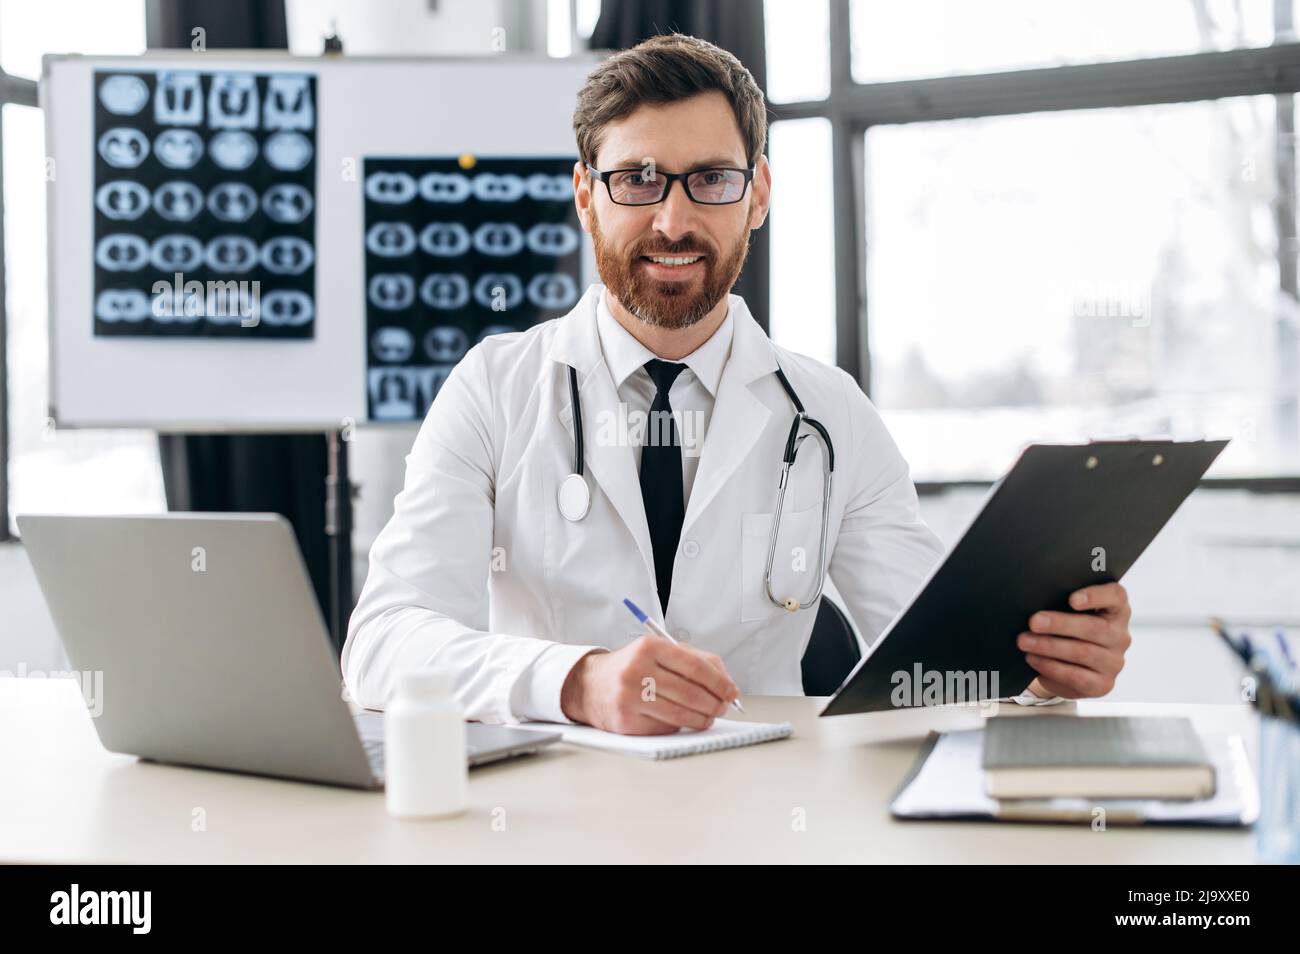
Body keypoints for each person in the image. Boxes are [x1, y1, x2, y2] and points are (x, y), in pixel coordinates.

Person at [343, 34, 1132, 735]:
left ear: (757, 195)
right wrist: (578, 682)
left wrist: (1041, 667)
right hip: (551, 811)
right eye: (638, 181)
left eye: (711, 180)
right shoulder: (494, 388)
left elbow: (943, 646)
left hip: (767, 812)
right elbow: (382, 644)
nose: (674, 222)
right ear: (586, 196)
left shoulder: (829, 414)